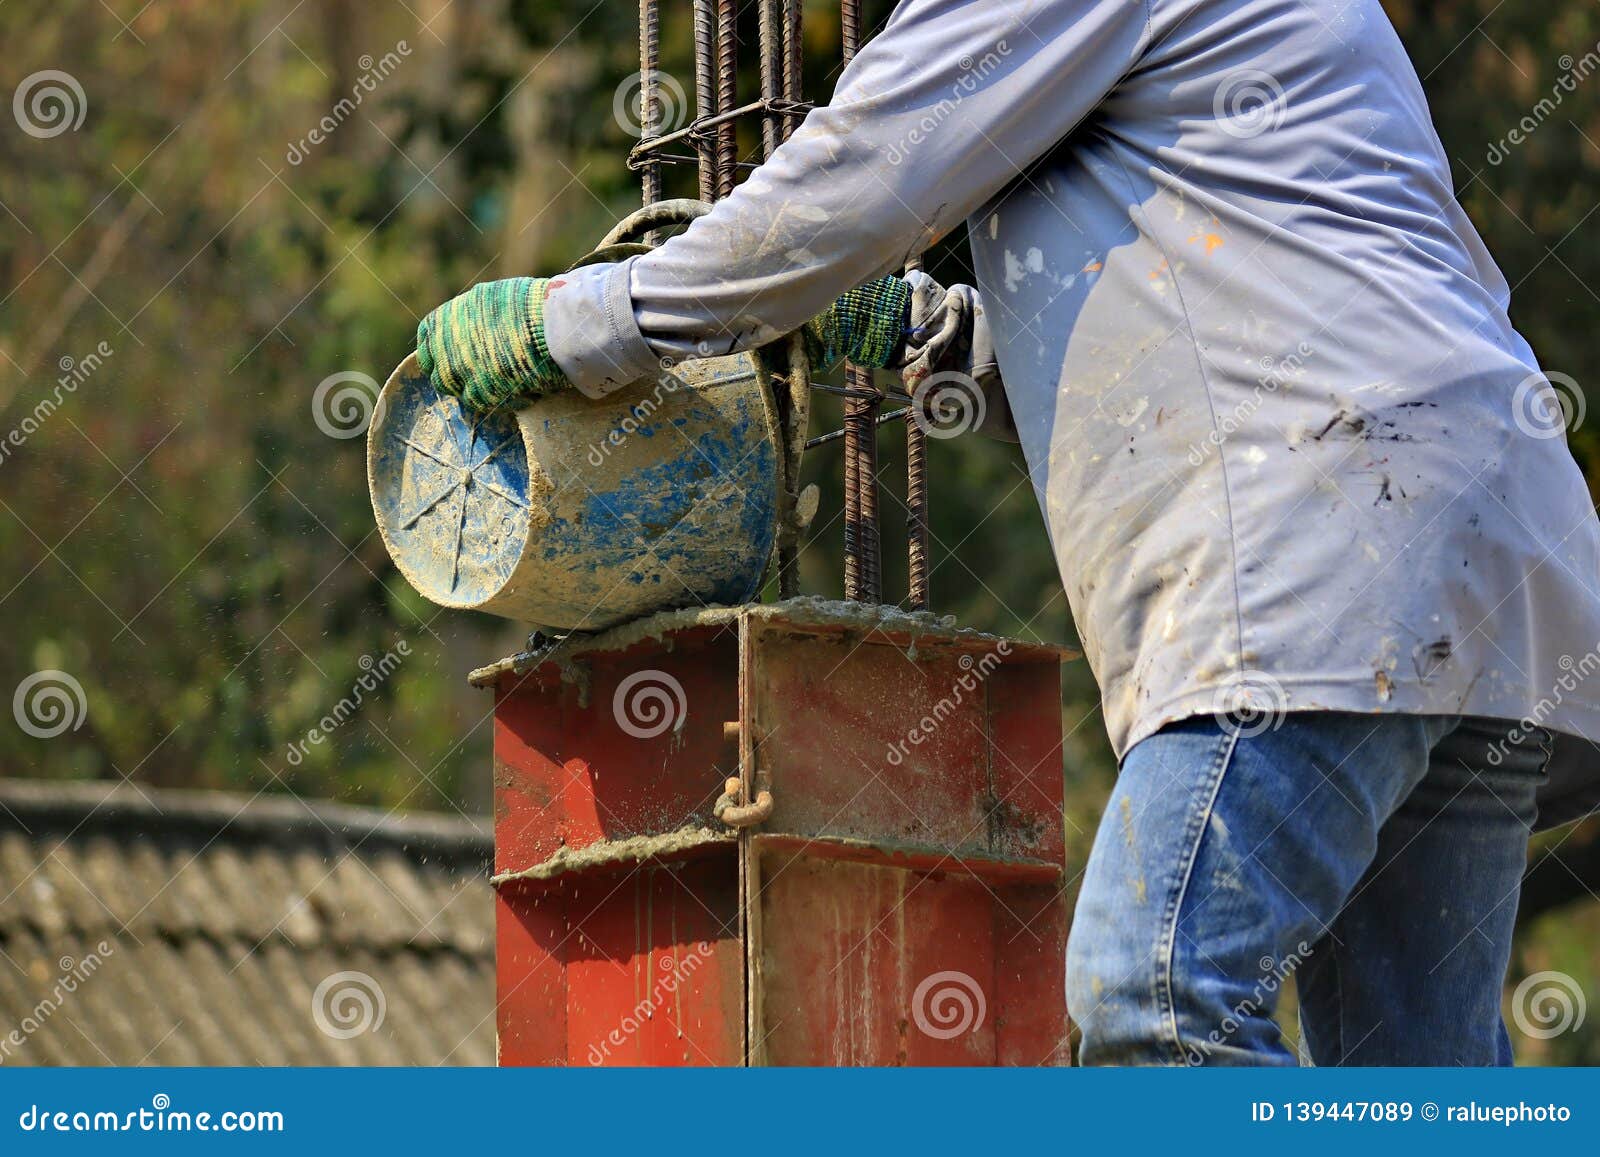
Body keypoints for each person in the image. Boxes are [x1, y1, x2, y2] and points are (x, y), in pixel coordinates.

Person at [413, 0, 1600, 1065]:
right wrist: (929, 333)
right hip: (1489, 545)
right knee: (1415, 1078)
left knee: (1157, 1005)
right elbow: (1227, 279)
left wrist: (585, 321)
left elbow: (861, 176)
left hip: (1329, 538)